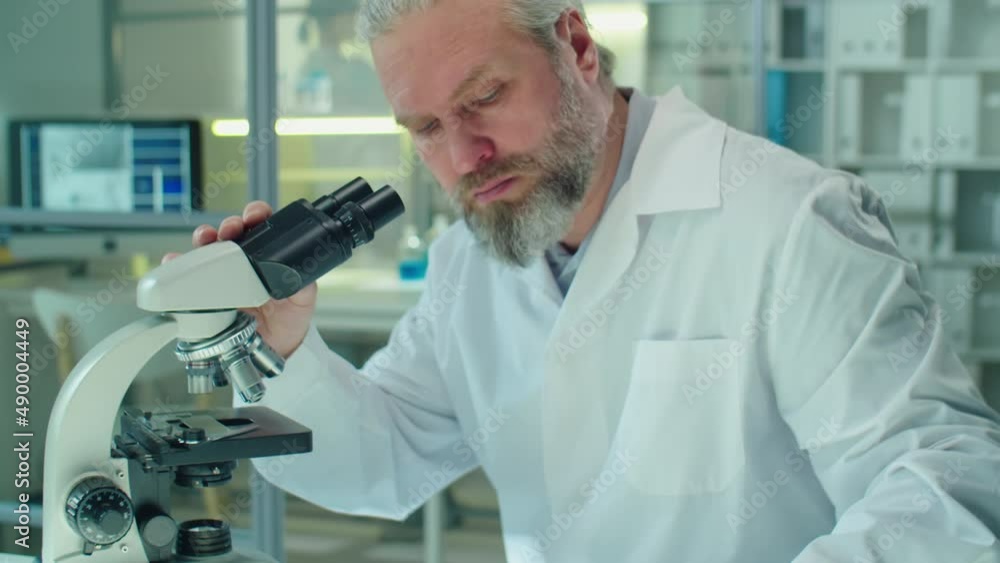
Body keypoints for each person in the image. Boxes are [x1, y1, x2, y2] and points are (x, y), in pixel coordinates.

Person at [168, 0, 1000, 561]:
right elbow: (378, 460)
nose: (462, 157)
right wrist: (278, 349)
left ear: (574, 46)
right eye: (425, 128)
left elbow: (943, 480)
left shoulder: (788, 219)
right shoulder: (471, 261)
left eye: (485, 97)